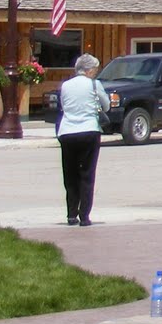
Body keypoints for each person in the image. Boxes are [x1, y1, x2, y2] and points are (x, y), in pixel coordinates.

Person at [56, 54, 107, 227]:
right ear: (89, 70)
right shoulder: (94, 84)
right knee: (87, 173)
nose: (96, 73)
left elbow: (64, 106)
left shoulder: (65, 86)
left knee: (70, 173)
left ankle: (71, 214)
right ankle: (84, 216)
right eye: (95, 69)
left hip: (67, 131)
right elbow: (106, 105)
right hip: (89, 129)